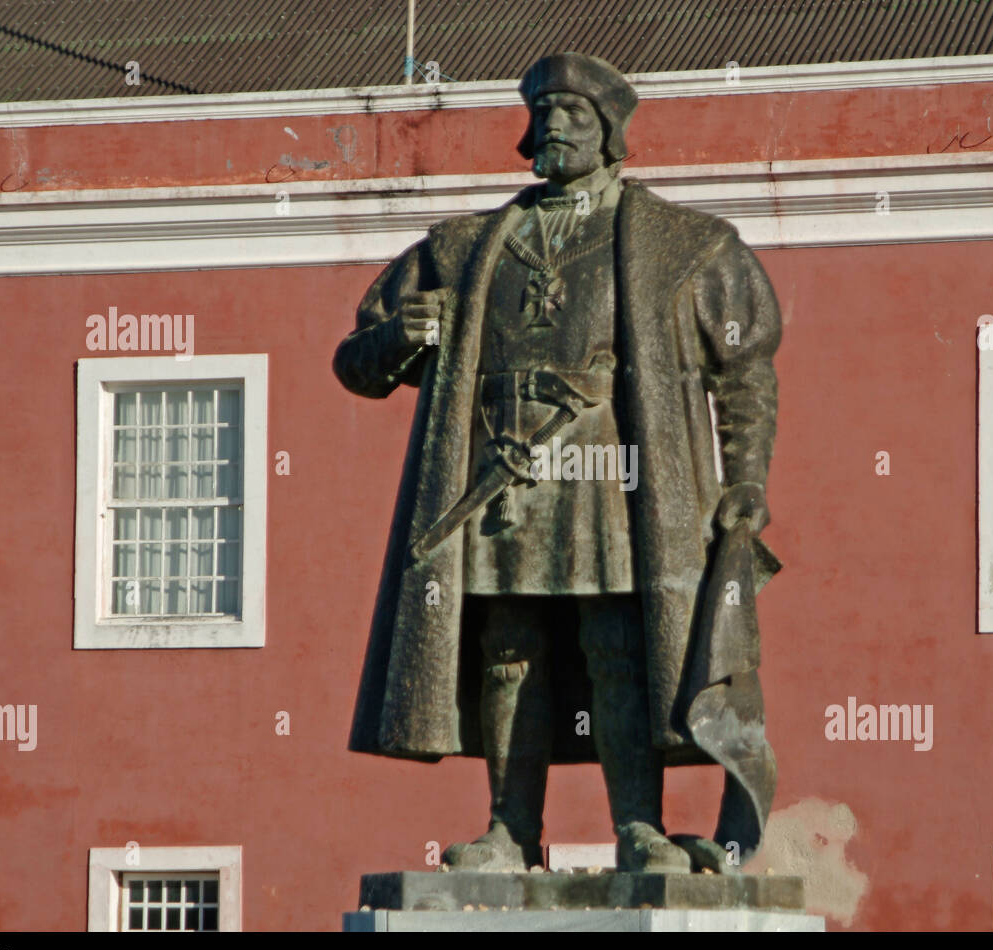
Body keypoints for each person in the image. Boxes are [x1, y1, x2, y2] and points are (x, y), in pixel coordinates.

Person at [334, 53, 781, 873]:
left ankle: (639, 827)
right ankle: (510, 830)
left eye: (573, 114)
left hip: (615, 476)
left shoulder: (684, 243)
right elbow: (357, 359)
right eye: (543, 114)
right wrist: (402, 337)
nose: (553, 127)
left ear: (612, 134)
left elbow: (745, 368)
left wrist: (746, 481)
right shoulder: (464, 249)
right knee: (508, 646)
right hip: (499, 482)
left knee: (617, 642)